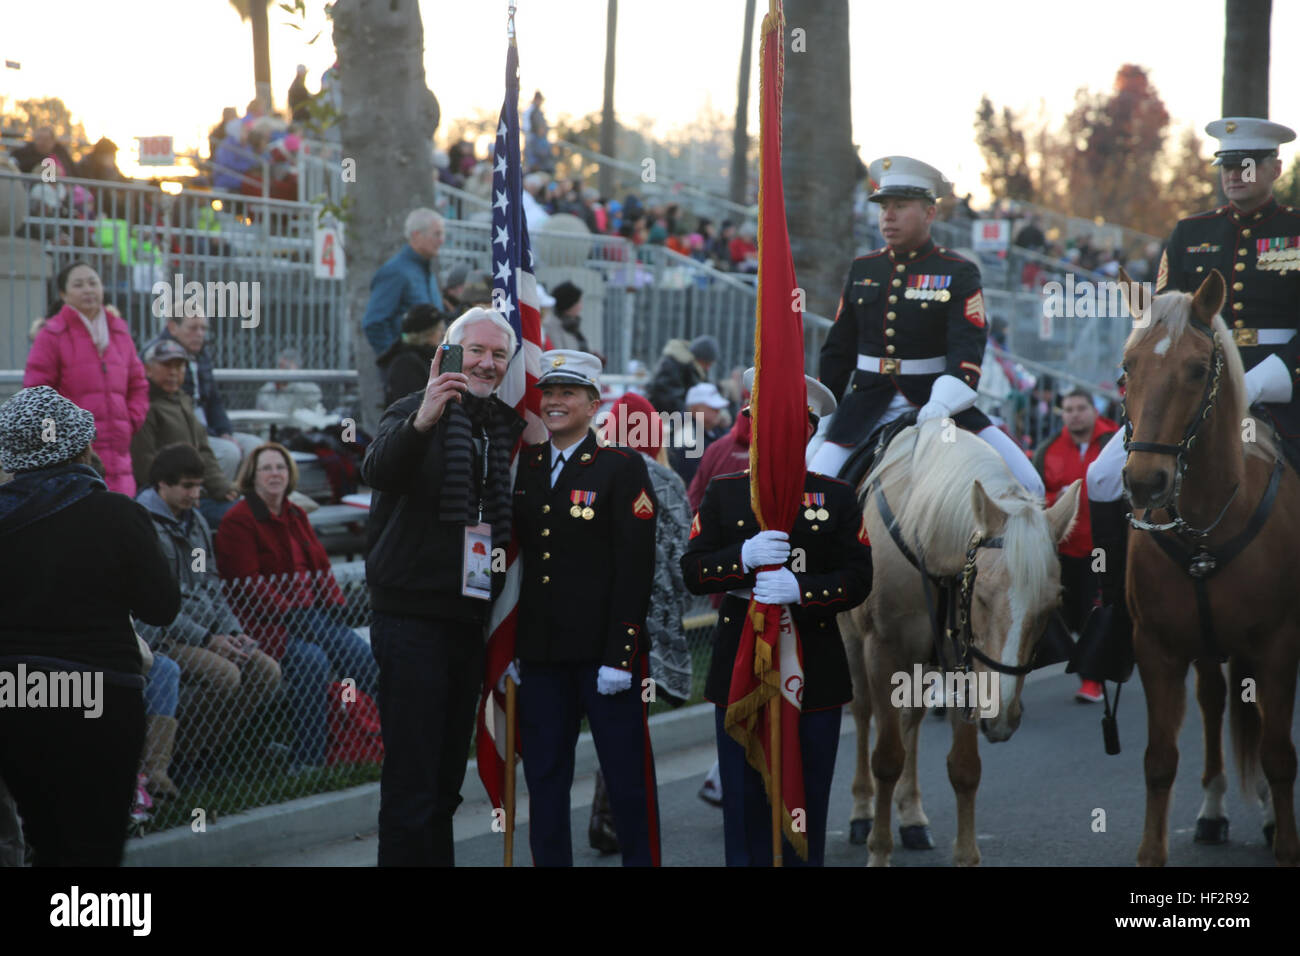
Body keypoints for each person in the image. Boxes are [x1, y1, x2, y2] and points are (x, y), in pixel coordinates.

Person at [1086, 116, 1300, 654]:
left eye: (1247, 164)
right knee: (1102, 477)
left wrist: (1272, 376)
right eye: (1227, 165)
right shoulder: (1190, 233)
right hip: (1191, 385)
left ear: (1276, 167)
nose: (1235, 174)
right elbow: (1159, 320)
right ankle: (1113, 606)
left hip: (1283, 382)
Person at [682, 369, 873, 866]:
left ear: (807, 431)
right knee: (743, 807)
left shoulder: (835, 496)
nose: (767, 434)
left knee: (804, 802)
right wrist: (739, 558)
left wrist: (803, 590)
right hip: (739, 668)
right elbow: (693, 571)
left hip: (814, 671)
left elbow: (858, 579)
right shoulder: (726, 492)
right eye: (758, 422)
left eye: (784, 425)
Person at [362, 307, 524, 867]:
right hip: (410, 620)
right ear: (448, 353)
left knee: (445, 783)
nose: (486, 363)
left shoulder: (498, 428)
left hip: (467, 619)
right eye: (475, 351)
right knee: (412, 782)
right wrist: (424, 418)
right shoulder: (414, 410)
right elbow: (377, 470)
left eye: (499, 355)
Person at [0, 386, 179, 866]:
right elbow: (162, 606)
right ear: (82, 447)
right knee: (92, 847)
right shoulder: (117, 514)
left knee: (43, 838)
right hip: (99, 697)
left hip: (15, 696)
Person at [809, 155, 1045, 497]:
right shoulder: (864, 269)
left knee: (1029, 484)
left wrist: (942, 404)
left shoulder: (958, 271)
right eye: (883, 206)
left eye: (901, 205)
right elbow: (838, 350)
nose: (888, 216)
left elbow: (967, 349)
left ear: (929, 213)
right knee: (811, 489)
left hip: (936, 401)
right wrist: (823, 418)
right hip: (864, 408)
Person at [512, 350, 661, 866]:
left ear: (593, 404)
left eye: (567, 393)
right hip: (542, 654)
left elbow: (635, 566)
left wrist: (621, 654)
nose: (554, 402)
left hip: (604, 657)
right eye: (548, 393)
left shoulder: (621, 467)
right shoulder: (527, 466)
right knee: (545, 778)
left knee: (626, 778)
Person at [215, 443, 378, 773]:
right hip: (264, 625)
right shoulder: (239, 520)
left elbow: (320, 565)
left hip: (311, 616)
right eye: (266, 468)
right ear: (251, 476)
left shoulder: (295, 513)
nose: (275, 474)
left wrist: (335, 603)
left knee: (360, 655)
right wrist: (290, 612)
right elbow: (246, 585)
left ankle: (372, 734)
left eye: (281, 468)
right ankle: (308, 760)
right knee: (312, 661)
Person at [587, 393, 694, 854]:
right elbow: (682, 566)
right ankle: (616, 821)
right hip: (647, 628)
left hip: (592, 618)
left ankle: (604, 816)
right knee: (630, 729)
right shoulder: (667, 481)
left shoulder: (593, 471)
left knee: (604, 724)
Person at [134, 443, 282, 776]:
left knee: (266, 671)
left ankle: (204, 751)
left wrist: (230, 631)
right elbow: (155, 603)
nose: (196, 494)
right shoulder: (143, 525)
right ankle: (180, 758)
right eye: (187, 486)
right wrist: (207, 639)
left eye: (199, 486)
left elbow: (210, 581)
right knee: (225, 675)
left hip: (208, 631)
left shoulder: (195, 521)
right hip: (164, 635)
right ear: (162, 484)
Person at [23, 261, 149, 496]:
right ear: (63, 294)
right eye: (78, 285)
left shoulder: (119, 332)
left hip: (119, 453)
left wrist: (131, 421)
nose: (88, 290)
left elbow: (138, 384)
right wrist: (58, 441)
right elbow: (37, 395)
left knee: (119, 519)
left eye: (93, 283)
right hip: (74, 456)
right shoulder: (52, 335)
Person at [1031, 389, 1118, 703]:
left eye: (1081, 407)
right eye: (1068, 409)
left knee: (1095, 613)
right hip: (1063, 550)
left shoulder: (1115, 441)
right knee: (1057, 613)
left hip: (1101, 548)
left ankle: (1092, 680)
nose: (1075, 414)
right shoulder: (1048, 449)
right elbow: (1035, 498)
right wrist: (1059, 497)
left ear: (1093, 410)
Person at [131, 339, 240, 530]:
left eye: (179, 366)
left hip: (195, 493)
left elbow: (203, 450)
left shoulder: (183, 400)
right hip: (171, 501)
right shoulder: (144, 406)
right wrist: (186, 492)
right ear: (147, 369)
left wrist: (221, 486)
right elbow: (144, 463)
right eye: (166, 365)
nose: (173, 372)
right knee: (240, 519)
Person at [142, 311, 260, 479]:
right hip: (182, 434)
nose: (199, 334)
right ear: (172, 327)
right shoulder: (157, 355)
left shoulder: (201, 355)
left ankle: (241, 499)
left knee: (255, 448)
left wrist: (224, 431)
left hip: (207, 430)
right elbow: (178, 413)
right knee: (229, 452)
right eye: (193, 328)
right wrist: (215, 435)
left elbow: (213, 400)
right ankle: (213, 499)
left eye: (203, 329)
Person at [361, 209, 446, 356]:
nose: (441, 240)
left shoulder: (426, 272)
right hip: (408, 371)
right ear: (417, 235)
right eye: (436, 234)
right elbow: (374, 323)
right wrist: (395, 361)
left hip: (427, 368)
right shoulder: (396, 272)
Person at [375, 303, 448, 410]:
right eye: (439, 329)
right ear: (425, 334)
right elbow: (410, 408)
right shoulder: (406, 364)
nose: (443, 334)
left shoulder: (425, 357)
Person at [671, 382, 730, 486]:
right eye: (713, 408)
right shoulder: (684, 435)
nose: (718, 411)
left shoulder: (716, 429)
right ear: (695, 408)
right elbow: (690, 478)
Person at [649, 334, 719, 416]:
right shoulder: (672, 366)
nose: (708, 368)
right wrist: (693, 413)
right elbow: (668, 399)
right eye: (707, 363)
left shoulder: (695, 368)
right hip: (665, 417)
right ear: (700, 358)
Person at [256, 348, 327, 418]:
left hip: (298, 428)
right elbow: (259, 418)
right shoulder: (267, 390)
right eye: (281, 367)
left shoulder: (308, 389)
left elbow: (317, 413)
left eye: (287, 368)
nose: (283, 371)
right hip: (273, 427)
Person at [542, 281, 593, 353]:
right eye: (578, 302)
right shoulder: (552, 326)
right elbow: (559, 356)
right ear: (569, 305)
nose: (581, 307)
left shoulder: (572, 325)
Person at [9, 125, 76, 175]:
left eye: (46, 139)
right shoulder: (23, 154)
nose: (42, 142)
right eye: (39, 138)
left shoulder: (62, 154)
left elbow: (72, 172)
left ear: (53, 141)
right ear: (34, 140)